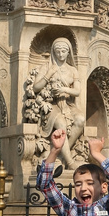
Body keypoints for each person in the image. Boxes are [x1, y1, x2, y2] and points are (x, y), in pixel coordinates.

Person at [31, 38, 85, 168]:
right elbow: (36, 87)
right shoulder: (47, 68)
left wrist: (64, 89)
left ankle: (60, 155)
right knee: (61, 123)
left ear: (68, 52)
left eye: (64, 51)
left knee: (80, 120)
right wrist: (48, 74)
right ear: (53, 52)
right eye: (58, 51)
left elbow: (77, 91)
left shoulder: (73, 70)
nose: (61, 54)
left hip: (67, 104)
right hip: (51, 104)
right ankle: (70, 162)